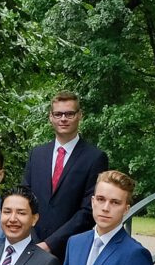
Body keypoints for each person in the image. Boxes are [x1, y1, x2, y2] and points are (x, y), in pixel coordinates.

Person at [25, 90, 109, 255]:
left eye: (69, 114)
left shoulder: (95, 158)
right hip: (32, 247)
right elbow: (24, 198)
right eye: (58, 114)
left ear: (80, 115)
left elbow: (88, 210)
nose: (63, 119)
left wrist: (50, 244)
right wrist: (33, 239)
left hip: (70, 250)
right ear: (51, 117)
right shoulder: (37, 154)